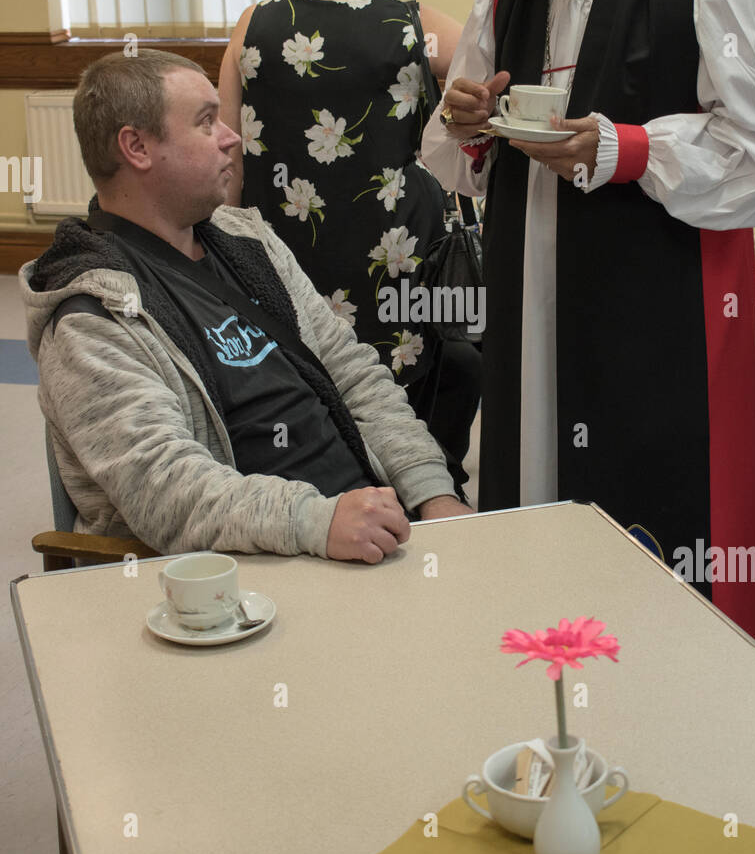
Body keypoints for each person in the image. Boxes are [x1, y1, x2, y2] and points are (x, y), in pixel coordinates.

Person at [421, 0, 755, 657]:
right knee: (537, 470)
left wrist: (628, 148)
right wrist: (468, 120)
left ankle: (680, 678)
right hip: (531, 292)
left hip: (657, 294)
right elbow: (462, 145)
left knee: (662, 496)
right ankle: (552, 670)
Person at [21, 50, 471, 563]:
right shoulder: (90, 314)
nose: (231, 137)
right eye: (206, 121)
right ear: (137, 147)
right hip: (252, 570)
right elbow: (166, 492)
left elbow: (354, 376)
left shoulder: (248, 241)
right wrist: (316, 521)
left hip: (366, 526)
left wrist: (433, 493)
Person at [219, 0, 481, 496]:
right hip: (393, 254)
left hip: (283, 256)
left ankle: (314, 480)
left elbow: (223, 156)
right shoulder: (415, 25)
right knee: (402, 372)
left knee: (304, 367)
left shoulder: (254, 25)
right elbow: (493, 78)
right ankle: (417, 480)